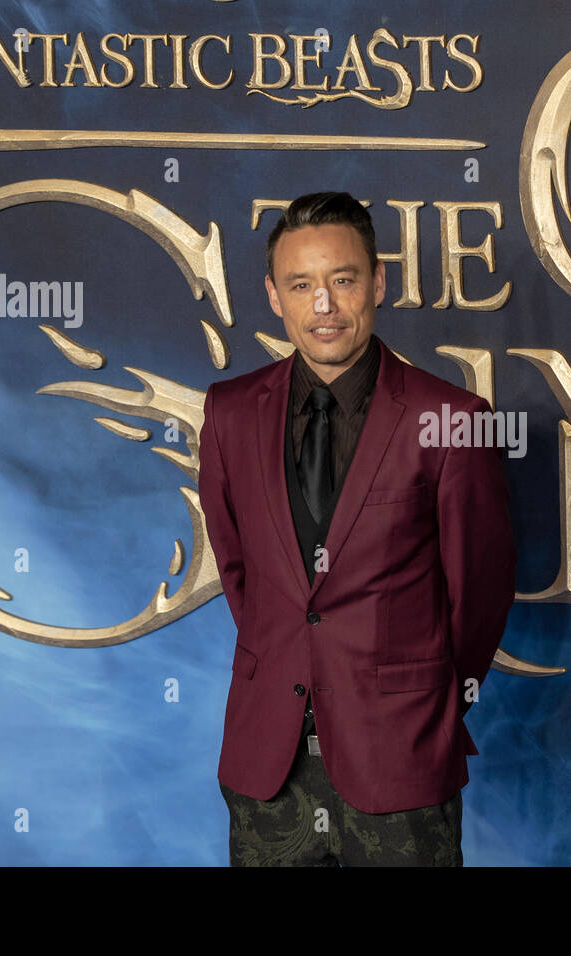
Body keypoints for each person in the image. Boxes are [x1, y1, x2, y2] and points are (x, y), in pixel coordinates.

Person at [197, 191, 517, 866]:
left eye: (342, 281)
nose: (324, 307)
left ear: (377, 281)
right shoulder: (228, 413)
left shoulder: (454, 418)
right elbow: (240, 572)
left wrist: (419, 699)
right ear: (273, 295)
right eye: (301, 285)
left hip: (399, 758)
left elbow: (478, 597)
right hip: (267, 766)